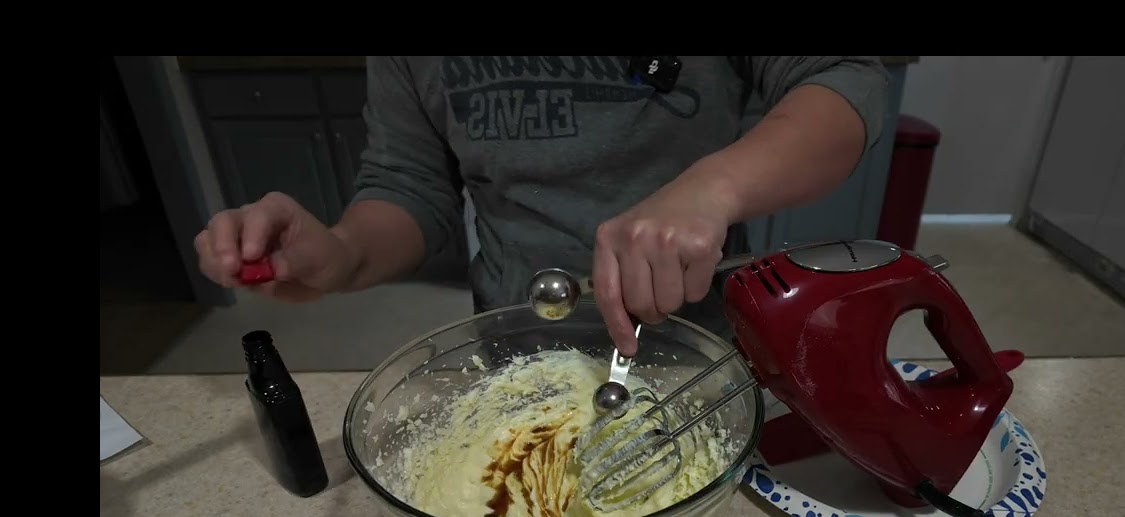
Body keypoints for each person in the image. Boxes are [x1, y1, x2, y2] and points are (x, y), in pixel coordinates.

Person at [195, 56, 889, 357]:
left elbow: (845, 81)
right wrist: (339, 256)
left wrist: (715, 186)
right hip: (512, 344)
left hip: (698, 348)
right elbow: (410, 185)